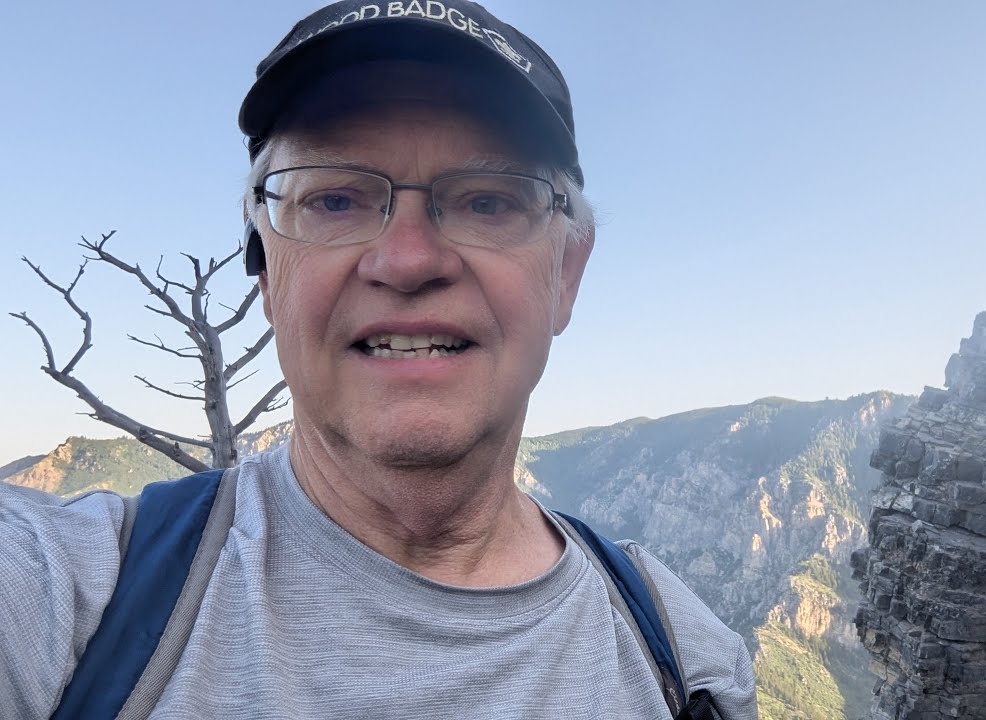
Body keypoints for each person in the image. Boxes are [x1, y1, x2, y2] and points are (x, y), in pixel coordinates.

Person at [0, 2, 758, 718]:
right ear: (266, 273)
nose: (407, 261)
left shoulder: (685, 661)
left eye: (488, 201)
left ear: (566, 275)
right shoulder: (71, 598)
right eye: (335, 200)